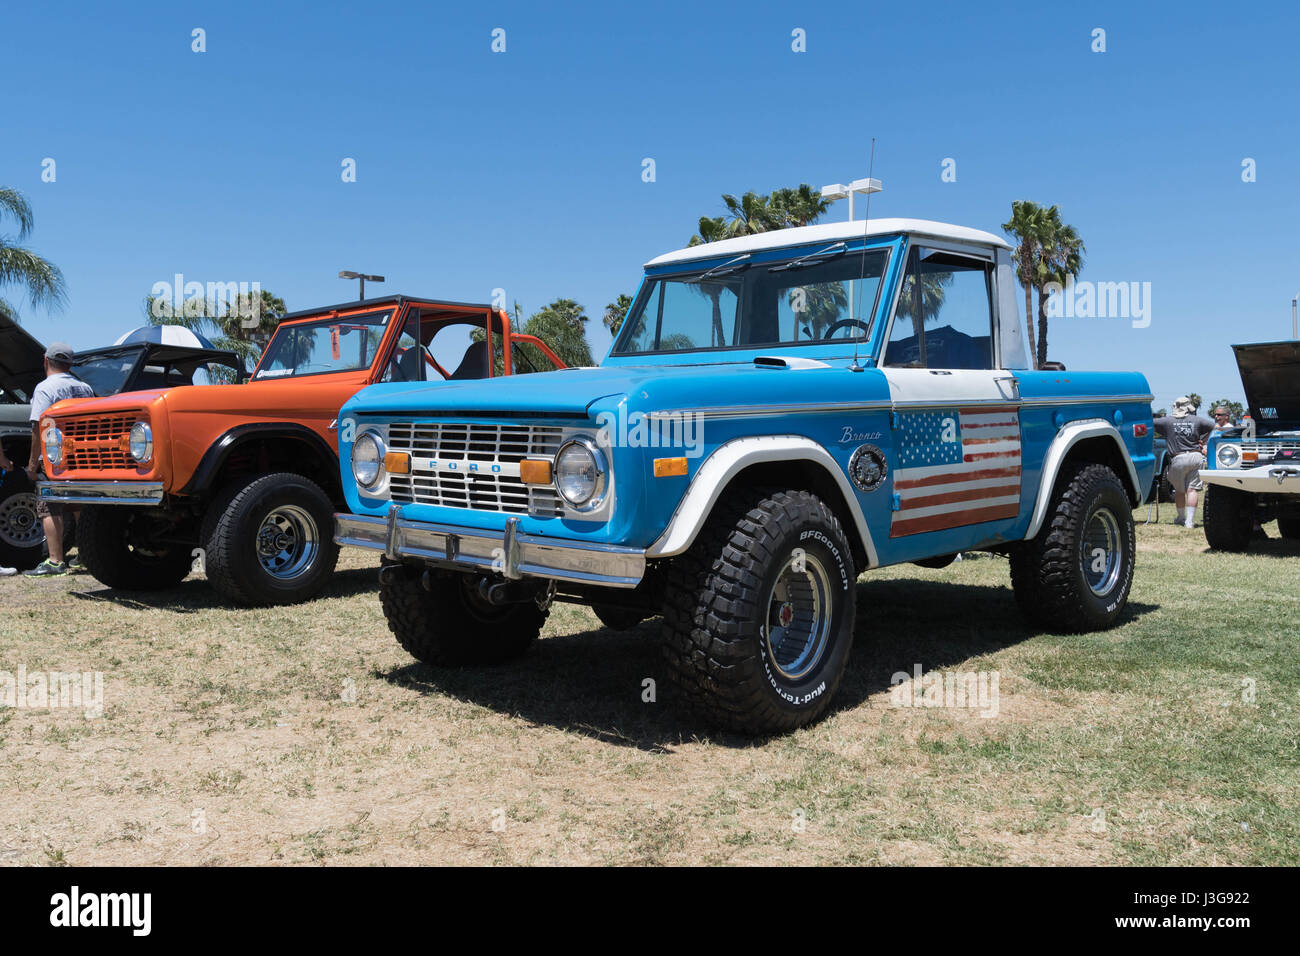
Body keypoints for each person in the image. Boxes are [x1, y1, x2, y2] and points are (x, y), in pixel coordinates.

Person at [22, 342, 94, 576]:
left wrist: (33, 464)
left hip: (53, 459)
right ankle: (85, 555)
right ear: (70, 364)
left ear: (45, 360)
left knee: (49, 508)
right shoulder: (85, 388)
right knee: (79, 505)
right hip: (81, 458)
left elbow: (38, 428)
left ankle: (55, 561)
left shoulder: (45, 389)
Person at [1153, 396, 1216, 529]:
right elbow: (1214, 427)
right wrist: (1203, 440)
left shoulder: (1167, 421)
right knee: (1192, 490)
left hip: (1178, 458)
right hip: (1196, 456)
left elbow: (1150, 423)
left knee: (1180, 490)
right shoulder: (1197, 420)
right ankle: (1190, 521)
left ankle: (1181, 517)